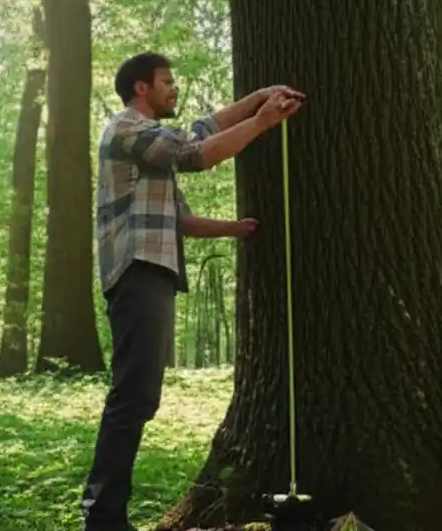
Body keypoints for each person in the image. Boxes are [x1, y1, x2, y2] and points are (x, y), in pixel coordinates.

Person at [81, 52, 304, 531]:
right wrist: (261, 122)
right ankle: (101, 519)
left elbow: (182, 202)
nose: (174, 88)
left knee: (140, 395)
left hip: (153, 273)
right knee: (132, 396)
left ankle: (104, 516)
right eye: (167, 82)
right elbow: (197, 153)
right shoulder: (126, 128)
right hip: (138, 271)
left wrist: (235, 228)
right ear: (141, 88)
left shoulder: (151, 151)